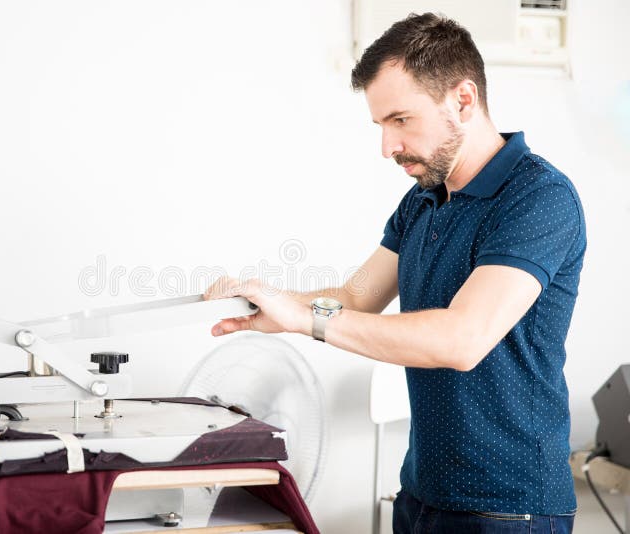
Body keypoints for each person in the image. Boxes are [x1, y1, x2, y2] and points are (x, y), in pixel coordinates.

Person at [204, 12, 586, 534]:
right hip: (422, 494)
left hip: (509, 508)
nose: (387, 146)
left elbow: (461, 339)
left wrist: (305, 319)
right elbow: (355, 298)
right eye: (382, 125)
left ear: (463, 100)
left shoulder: (537, 197)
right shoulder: (422, 200)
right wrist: (273, 304)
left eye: (401, 120)